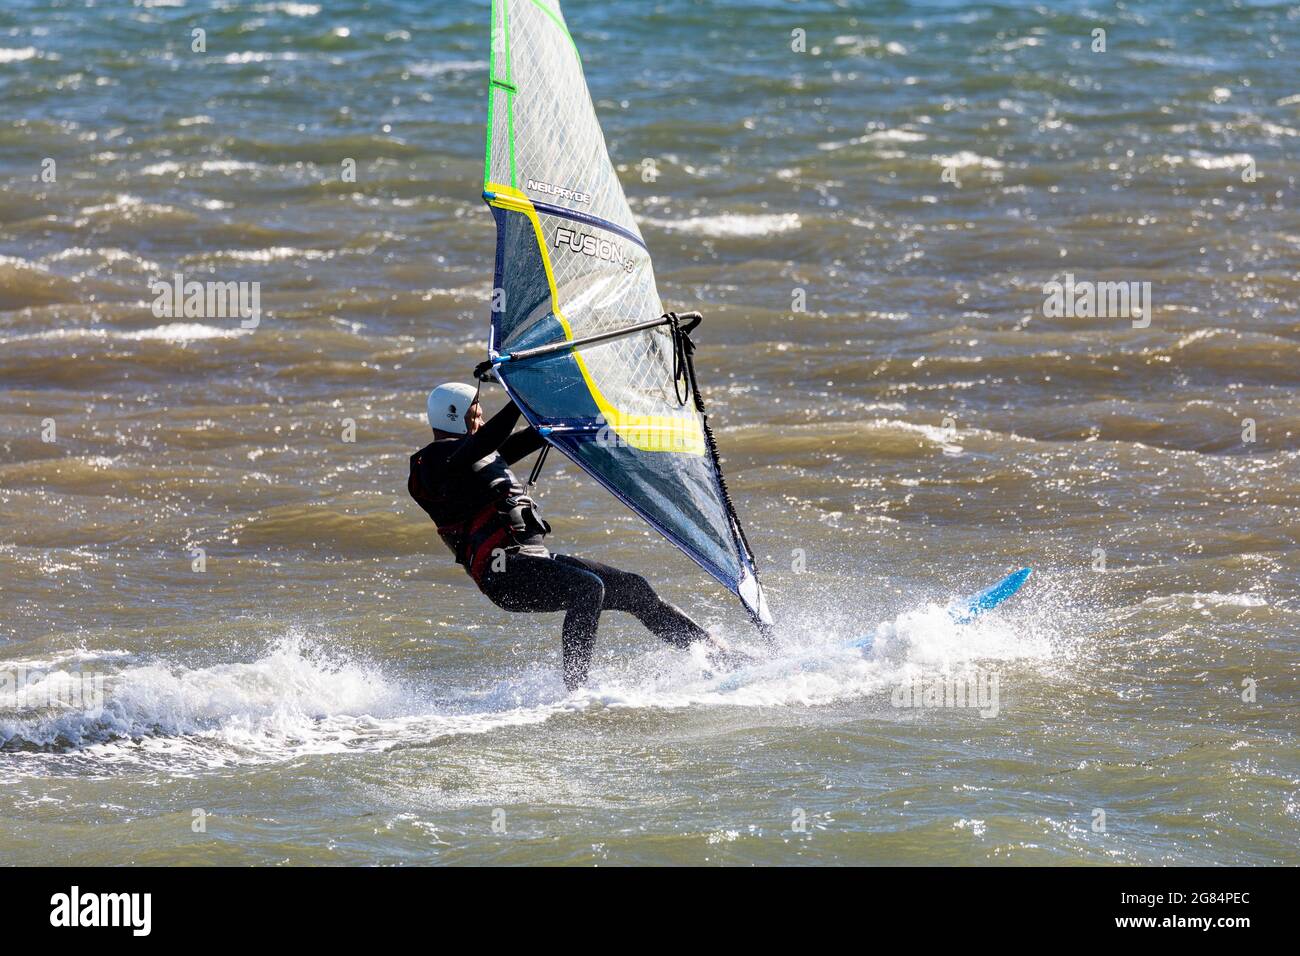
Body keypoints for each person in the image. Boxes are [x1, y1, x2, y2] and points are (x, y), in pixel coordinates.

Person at [408, 382, 726, 689]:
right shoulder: (432, 461)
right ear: (453, 414)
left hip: (532, 561)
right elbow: (486, 441)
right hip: (502, 571)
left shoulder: (478, 454)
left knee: (634, 589)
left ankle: (716, 656)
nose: (481, 419)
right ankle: (576, 691)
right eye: (476, 413)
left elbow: (529, 436)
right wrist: (519, 392)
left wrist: (576, 411)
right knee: (588, 589)